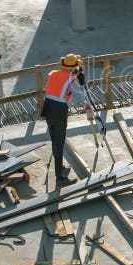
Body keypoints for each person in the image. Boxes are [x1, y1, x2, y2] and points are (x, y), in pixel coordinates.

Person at [40, 54, 87, 187]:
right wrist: (81, 82)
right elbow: (79, 96)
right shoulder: (71, 79)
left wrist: (75, 76)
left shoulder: (53, 73)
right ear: (73, 68)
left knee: (55, 140)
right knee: (59, 143)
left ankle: (60, 168)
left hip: (48, 108)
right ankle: (60, 178)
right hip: (59, 111)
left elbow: (58, 87)